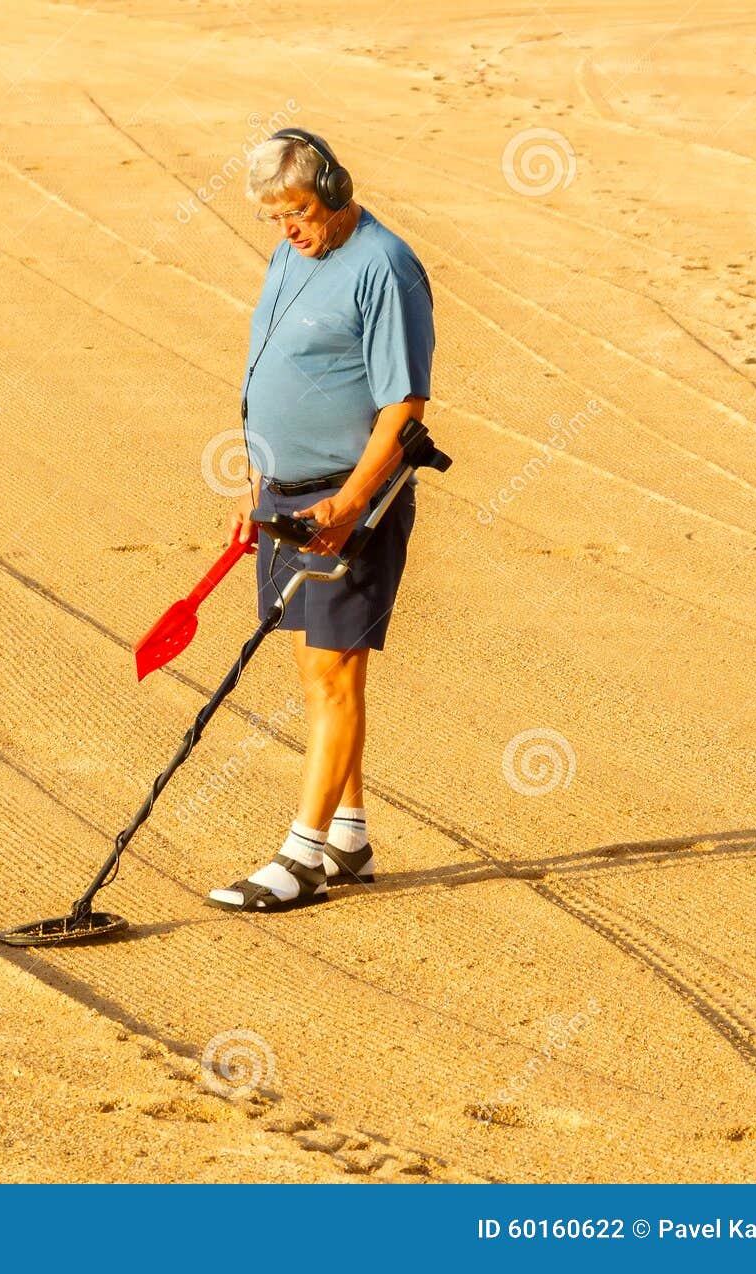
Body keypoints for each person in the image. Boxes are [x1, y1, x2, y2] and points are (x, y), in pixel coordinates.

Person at [207, 128, 435, 912]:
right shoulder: (287, 259)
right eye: (275, 219)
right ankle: (348, 835)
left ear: (334, 189)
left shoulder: (385, 267)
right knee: (315, 668)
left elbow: (403, 406)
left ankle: (301, 861)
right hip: (286, 495)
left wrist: (347, 505)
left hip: (348, 502)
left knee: (336, 672)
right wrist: (257, 486)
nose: (288, 230)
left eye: (298, 211)